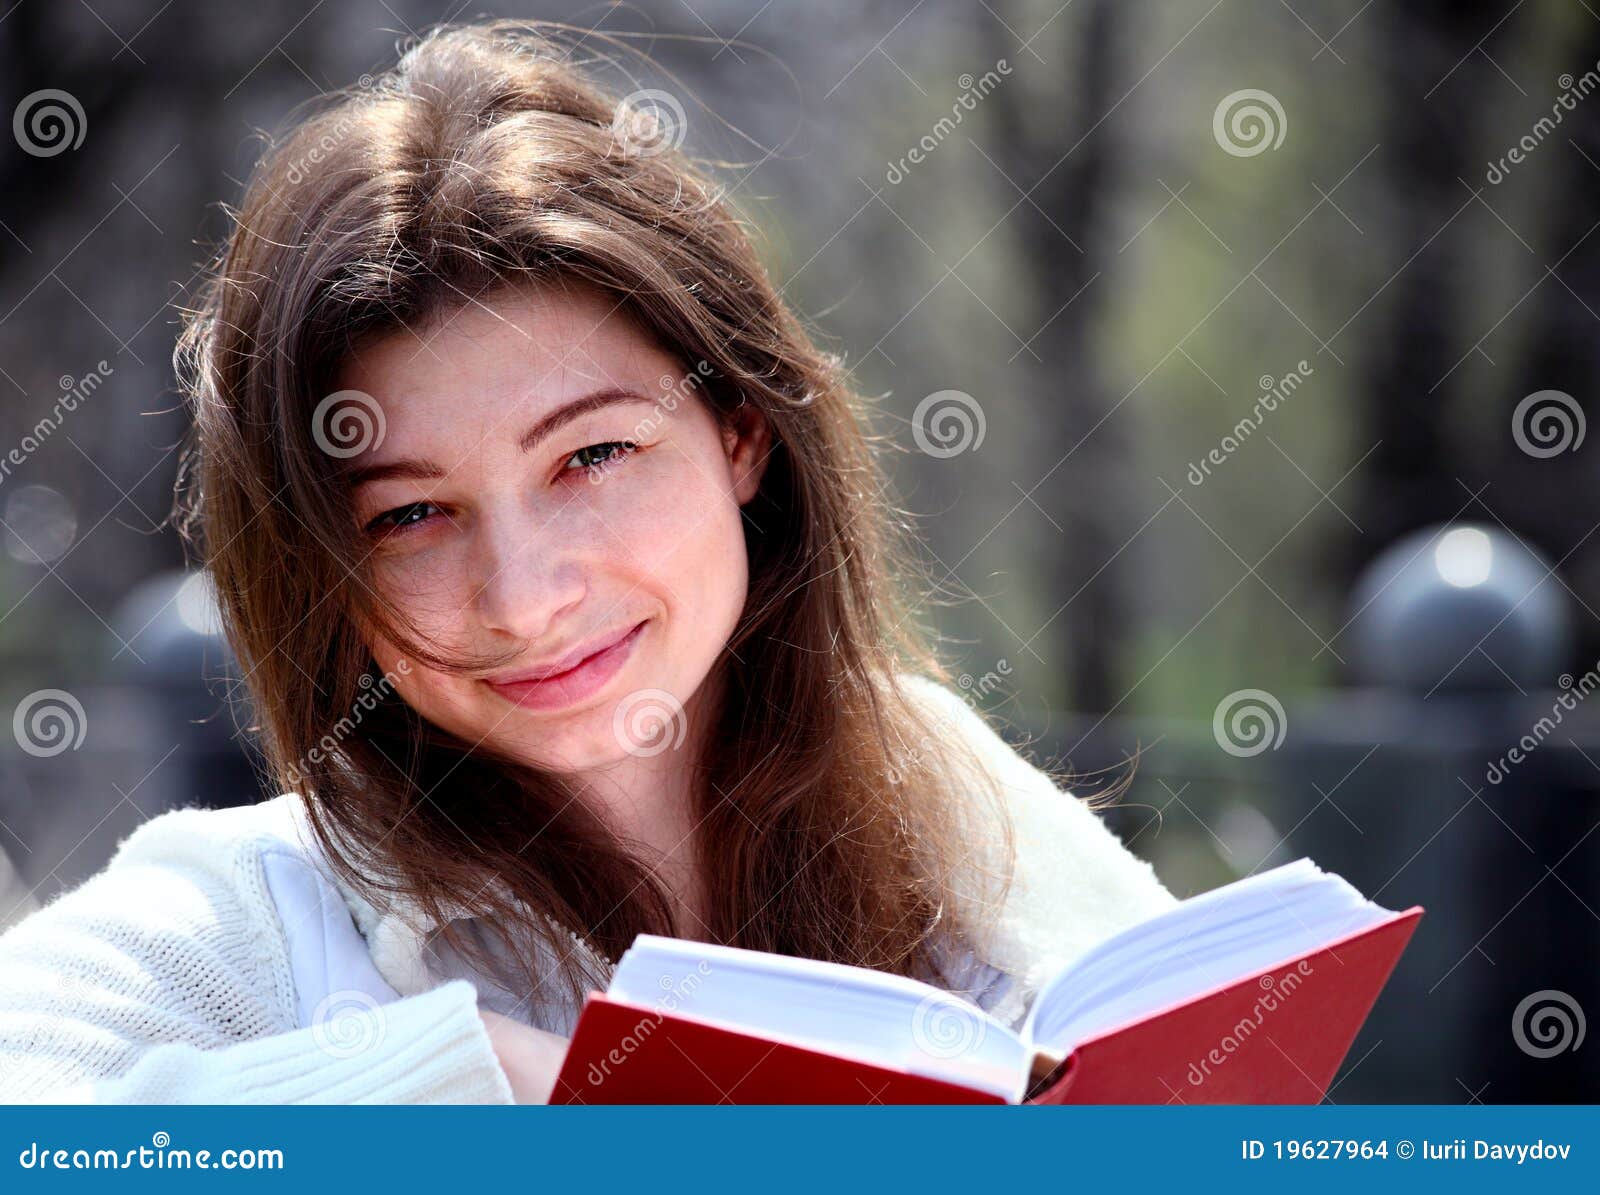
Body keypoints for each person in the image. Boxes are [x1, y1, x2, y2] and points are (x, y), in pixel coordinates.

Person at [0, 19, 1177, 1104]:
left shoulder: (949, 801)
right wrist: (457, 1084)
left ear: (742, 432)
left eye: (593, 454)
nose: (522, 597)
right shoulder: (251, 915)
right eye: (409, 517)